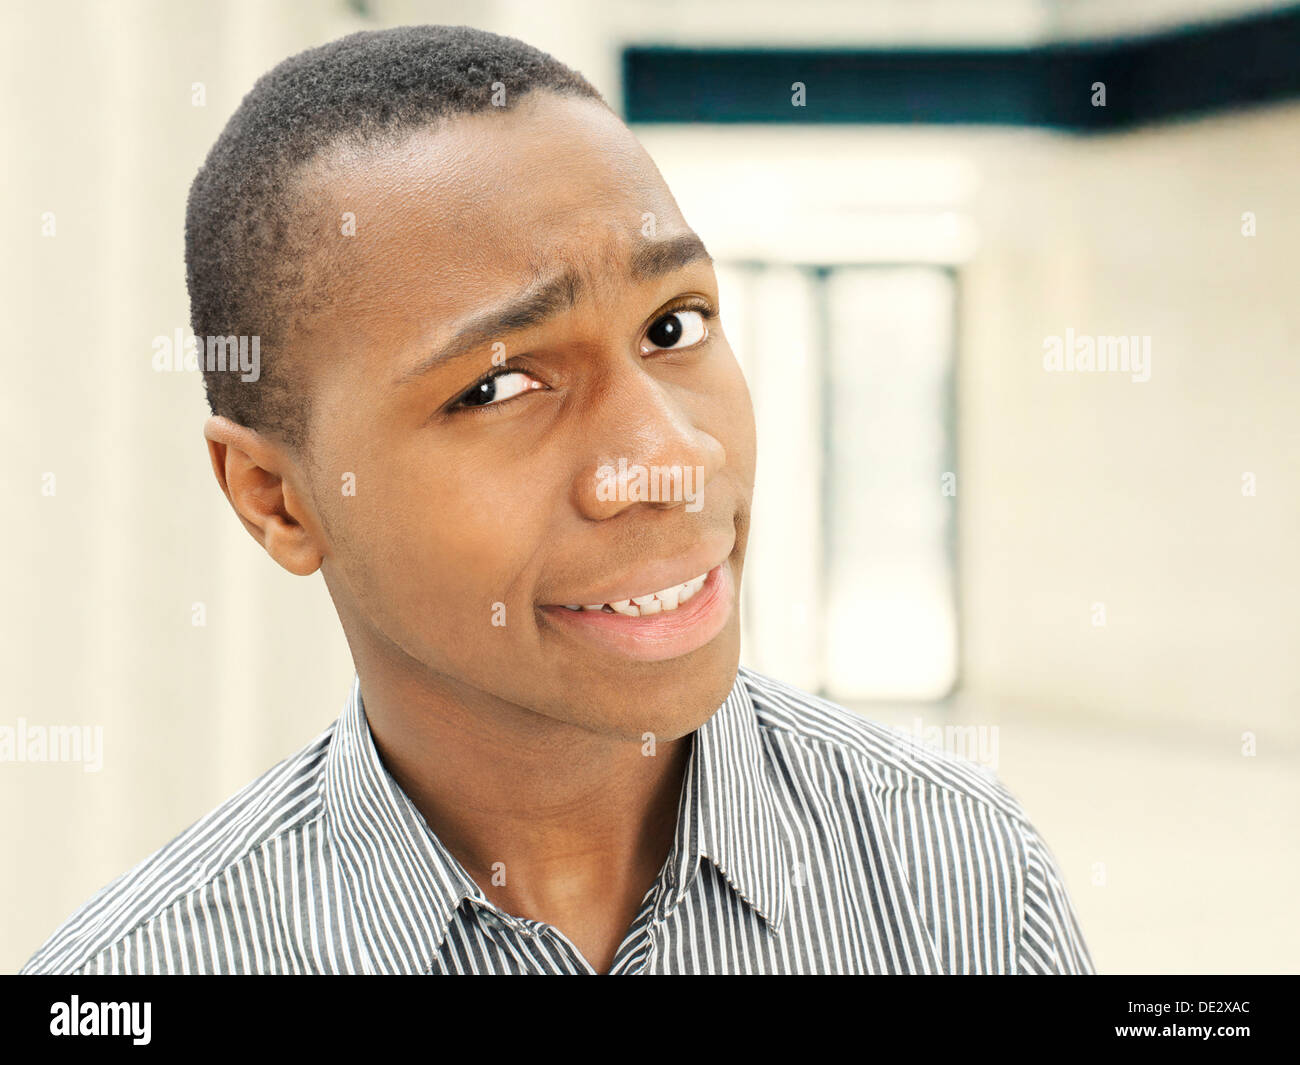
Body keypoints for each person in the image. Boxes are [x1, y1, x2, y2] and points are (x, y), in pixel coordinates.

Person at [22, 25, 1093, 975]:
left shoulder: (960, 878)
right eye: (498, 388)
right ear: (277, 500)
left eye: (673, 327)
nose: (670, 456)